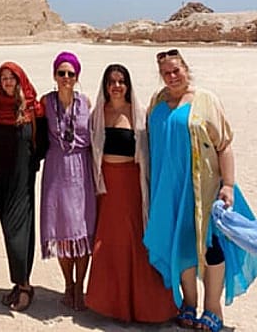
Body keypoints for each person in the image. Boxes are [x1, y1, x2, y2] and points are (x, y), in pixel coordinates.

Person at [143, 49, 257, 332]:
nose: (172, 77)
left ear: (186, 68)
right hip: (168, 190)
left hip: (204, 187)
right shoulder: (158, 101)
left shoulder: (205, 100)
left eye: (176, 70)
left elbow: (224, 145)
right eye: (166, 73)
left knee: (211, 245)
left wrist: (228, 184)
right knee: (181, 244)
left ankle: (213, 309)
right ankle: (189, 302)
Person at [86, 63, 177, 323]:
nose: (116, 86)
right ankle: (114, 306)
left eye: (121, 81)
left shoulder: (139, 115)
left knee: (135, 244)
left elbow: (152, 148)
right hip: (106, 189)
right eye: (111, 81)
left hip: (131, 187)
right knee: (110, 245)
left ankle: (147, 307)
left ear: (128, 85)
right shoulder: (97, 115)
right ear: (105, 85)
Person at [39, 51, 96, 311]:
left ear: (77, 76)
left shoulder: (86, 102)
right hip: (56, 170)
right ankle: (67, 284)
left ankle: (80, 287)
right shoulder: (45, 102)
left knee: (82, 229)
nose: (65, 78)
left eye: (70, 74)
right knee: (61, 230)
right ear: (54, 75)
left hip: (81, 171)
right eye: (61, 73)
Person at [0, 61, 43, 313]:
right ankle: (18, 281)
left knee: (19, 230)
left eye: (12, 77)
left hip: (22, 179)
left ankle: (25, 285)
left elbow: (43, 142)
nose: (8, 82)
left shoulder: (33, 107)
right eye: (4, 78)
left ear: (20, 79)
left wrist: (30, 165)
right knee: (10, 231)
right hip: (0, 177)